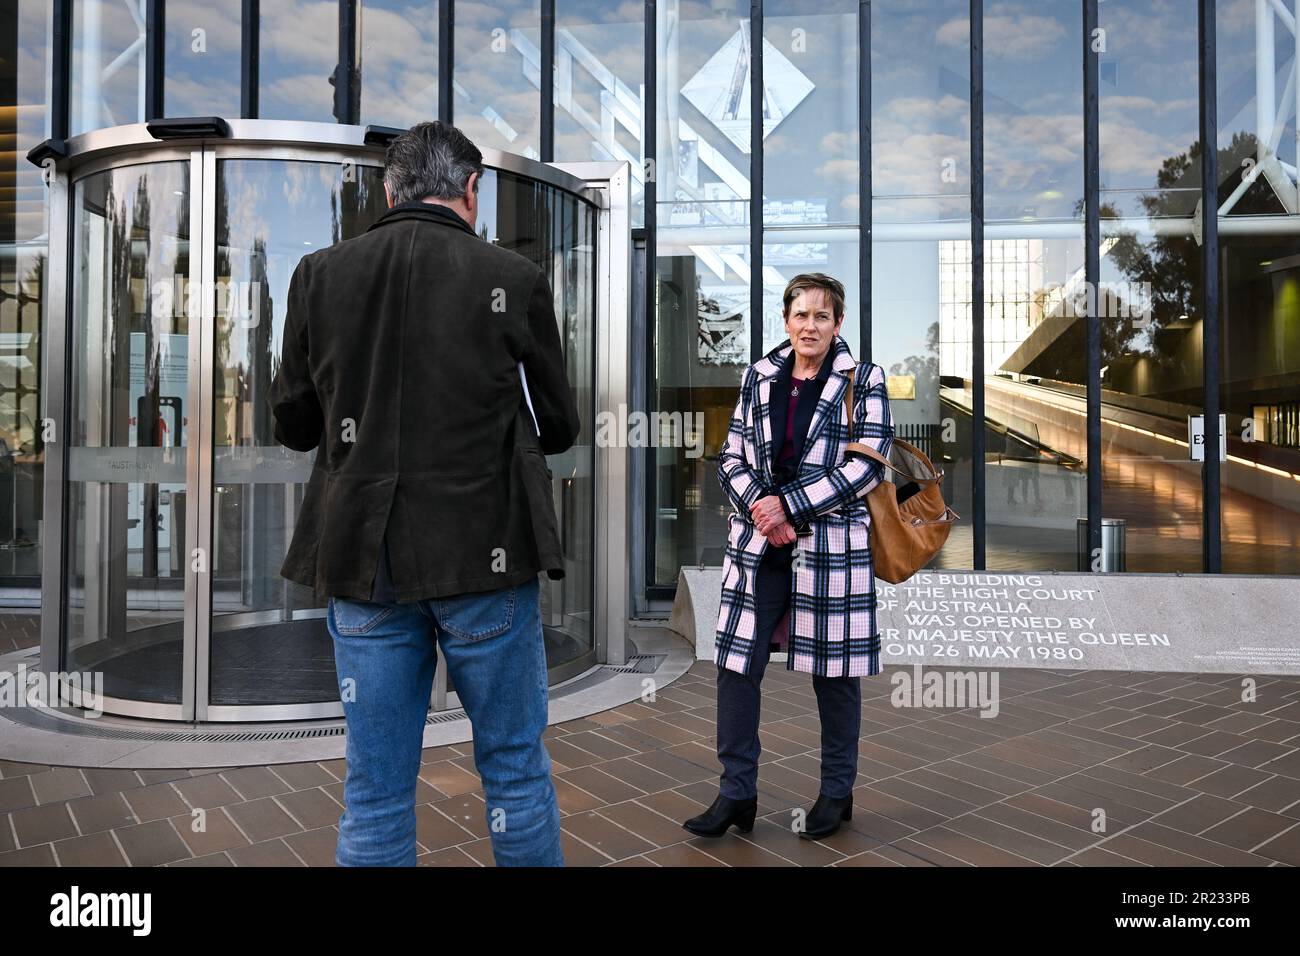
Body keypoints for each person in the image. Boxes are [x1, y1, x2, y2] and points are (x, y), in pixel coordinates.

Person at [268, 121, 580, 867]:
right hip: (486, 559)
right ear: (471, 191)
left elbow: (295, 426)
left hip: (364, 563)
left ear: (388, 190)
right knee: (514, 769)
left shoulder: (319, 273)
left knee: (374, 787)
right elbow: (562, 425)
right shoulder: (513, 279)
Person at [684, 273, 894, 841]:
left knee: (834, 674)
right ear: (785, 320)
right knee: (735, 667)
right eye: (801, 315)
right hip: (758, 545)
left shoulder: (863, 379)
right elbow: (731, 453)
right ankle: (737, 793)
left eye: (821, 316)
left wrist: (791, 508)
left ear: (837, 324)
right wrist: (762, 509)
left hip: (827, 548)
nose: (810, 326)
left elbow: (866, 466)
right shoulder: (759, 375)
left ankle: (836, 791)